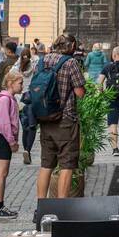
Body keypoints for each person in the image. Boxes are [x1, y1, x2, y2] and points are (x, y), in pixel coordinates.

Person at [34, 33, 85, 200]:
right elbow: (80, 93)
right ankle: (61, 207)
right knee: (66, 164)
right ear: (70, 46)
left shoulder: (42, 61)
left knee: (46, 164)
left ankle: (41, 206)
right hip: (65, 120)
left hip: (45, 119)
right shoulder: (71, 63)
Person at [0, 69, 21, 218]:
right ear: (10, 83)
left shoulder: (9, 98)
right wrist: (12, 141)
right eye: (20, 83)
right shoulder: (5, 99)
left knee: (4, 172)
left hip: (3, 138)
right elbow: (4, 123)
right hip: (3, 138)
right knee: (1, 173)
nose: (22, 86)